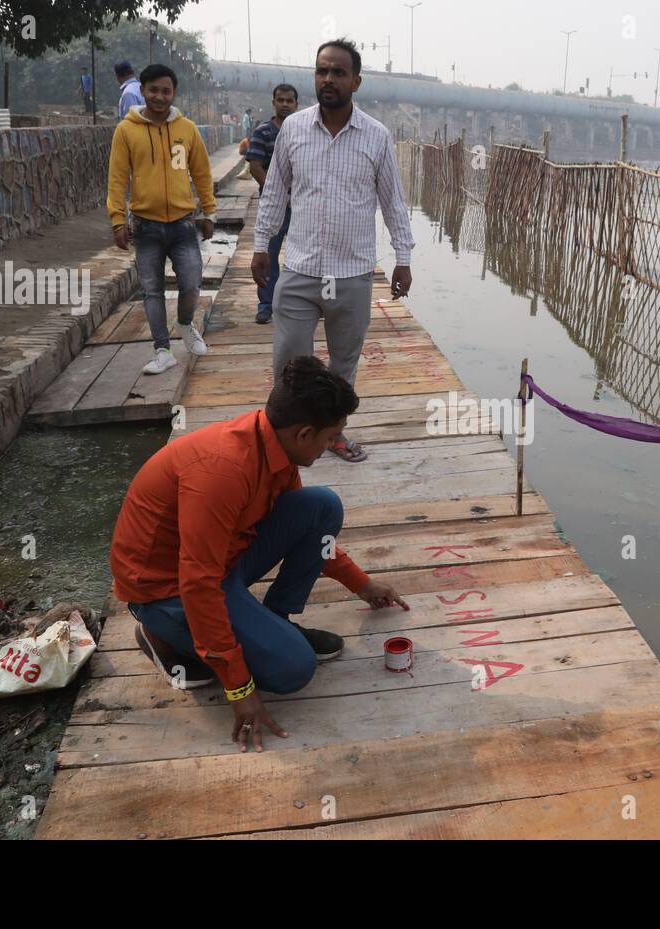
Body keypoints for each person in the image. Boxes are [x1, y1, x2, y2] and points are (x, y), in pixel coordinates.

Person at [109, 356, 408, 751]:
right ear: (304, 433)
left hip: (222, 562)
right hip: (168, 590)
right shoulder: (222, 472)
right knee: (293, 671)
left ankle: (274, 621)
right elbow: (198, 583)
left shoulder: (275, 444)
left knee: (321, 506)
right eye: (330, 436)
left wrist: (361, 583)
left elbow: (304, 527)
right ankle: (159, 634)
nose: (332, 445)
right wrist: (238, 688)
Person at [251, 40, 415, 463]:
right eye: (322, 71)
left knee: (343, 365)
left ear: (356, 81)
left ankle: (334, 436)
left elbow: (393, 202)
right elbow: (275, 192)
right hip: (301, 268)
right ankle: (282, 440)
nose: (329, 79)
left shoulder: (376, 137)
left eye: (339, 72)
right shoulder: (294, 129)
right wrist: (260, 244)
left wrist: (404, 258)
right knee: (290, 363)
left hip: (353, 273)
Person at [106, 63, 215, 376]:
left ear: (173, 93)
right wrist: (117, 219)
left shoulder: (186, 130)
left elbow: (201, 173)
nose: (159, 96)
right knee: (151, 290)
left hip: (183, 223)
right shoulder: (126, 131)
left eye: (166, 91)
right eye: (153, 90)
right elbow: (117, 178)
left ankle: (184, 322)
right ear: (143, 91)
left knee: (192, 282)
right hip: (145, 225)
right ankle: (162, 350)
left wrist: (209, 211)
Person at [244, 83, 299, 325]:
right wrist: (278, 194)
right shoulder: (263, 132)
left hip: (301, 207)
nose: (285, 104)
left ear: (296, 104)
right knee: (269, 253)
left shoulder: (303, 132)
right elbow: (255, 166)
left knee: (304, 256)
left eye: (289, 100)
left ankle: (300, 302)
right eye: (281, 100)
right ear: (273, 103)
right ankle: (266, 304)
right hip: (273, 206)